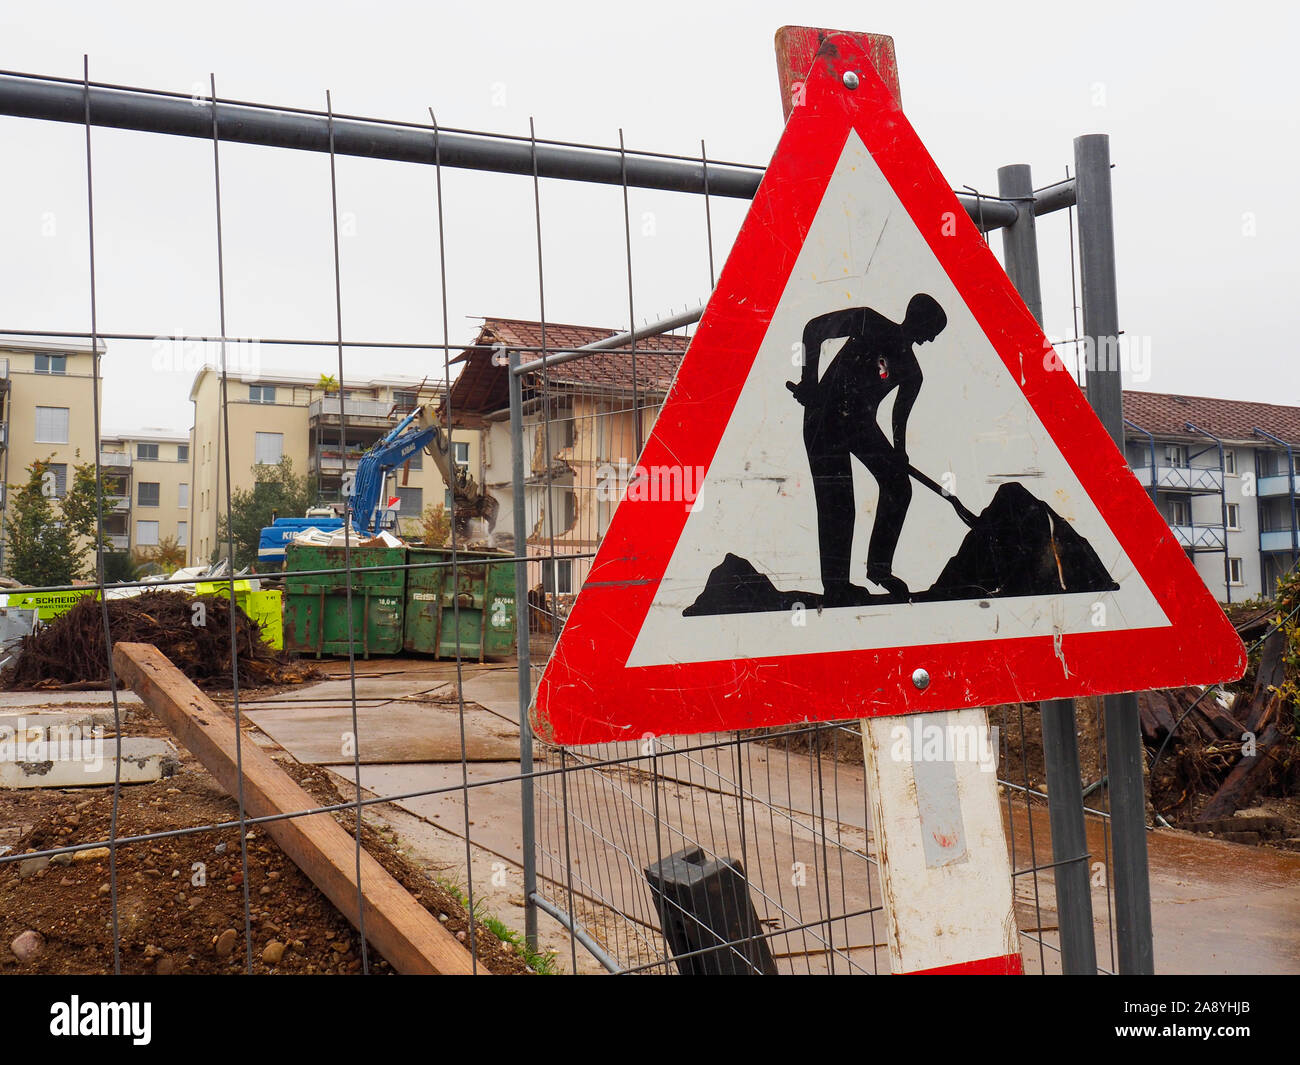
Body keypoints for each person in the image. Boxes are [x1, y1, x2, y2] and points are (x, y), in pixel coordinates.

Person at [786, 293, 947, 605]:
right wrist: (810, 381)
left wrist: (899, 454)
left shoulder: (913, 372)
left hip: (861, 426)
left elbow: (899, 416)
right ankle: (836, 586)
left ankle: (879, 569)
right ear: (918, 319)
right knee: (838, 500)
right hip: (826, 417)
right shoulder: (868, 321)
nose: (929, 340)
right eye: (931, 331)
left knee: (899, 486)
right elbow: (813, 330)